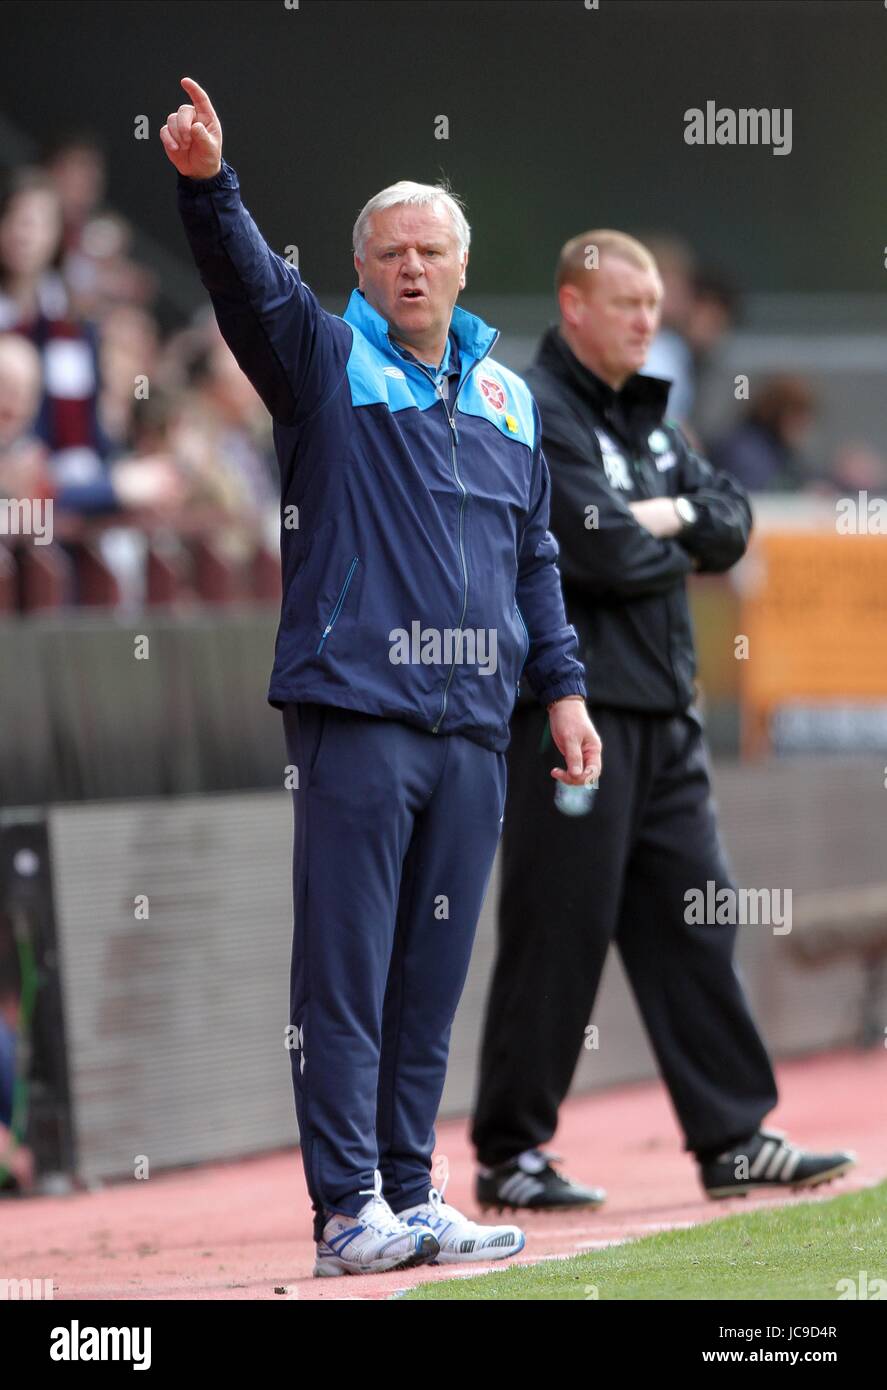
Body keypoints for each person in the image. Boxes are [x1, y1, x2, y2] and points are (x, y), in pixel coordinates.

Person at [161, 78, 602, 1277]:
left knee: (429, 979)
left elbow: (535, 554)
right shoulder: (320, 361)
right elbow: (246, 284)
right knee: (345, 976)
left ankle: (410, 1189)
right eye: (389, 253)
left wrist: (559, 686)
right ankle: (346, 1206)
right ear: (361, 272)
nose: (411, 268)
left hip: (473, 728)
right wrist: (211, 185)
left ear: (462, 268)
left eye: (431, 250)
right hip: (357, 711)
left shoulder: (507, 400)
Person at [470, 229, 855, 1211]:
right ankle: (511, 1152)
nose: (649, 321)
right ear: (571, 306)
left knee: (697, 918)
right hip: (570, 711)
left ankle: (731, 1134)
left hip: (663, 713)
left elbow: (728, 521)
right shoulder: (533, 405)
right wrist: (664, 523)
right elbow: (591, 550)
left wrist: (666, 519)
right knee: (558, 927)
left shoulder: (648, 416)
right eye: (627, 304)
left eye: (653, 305)